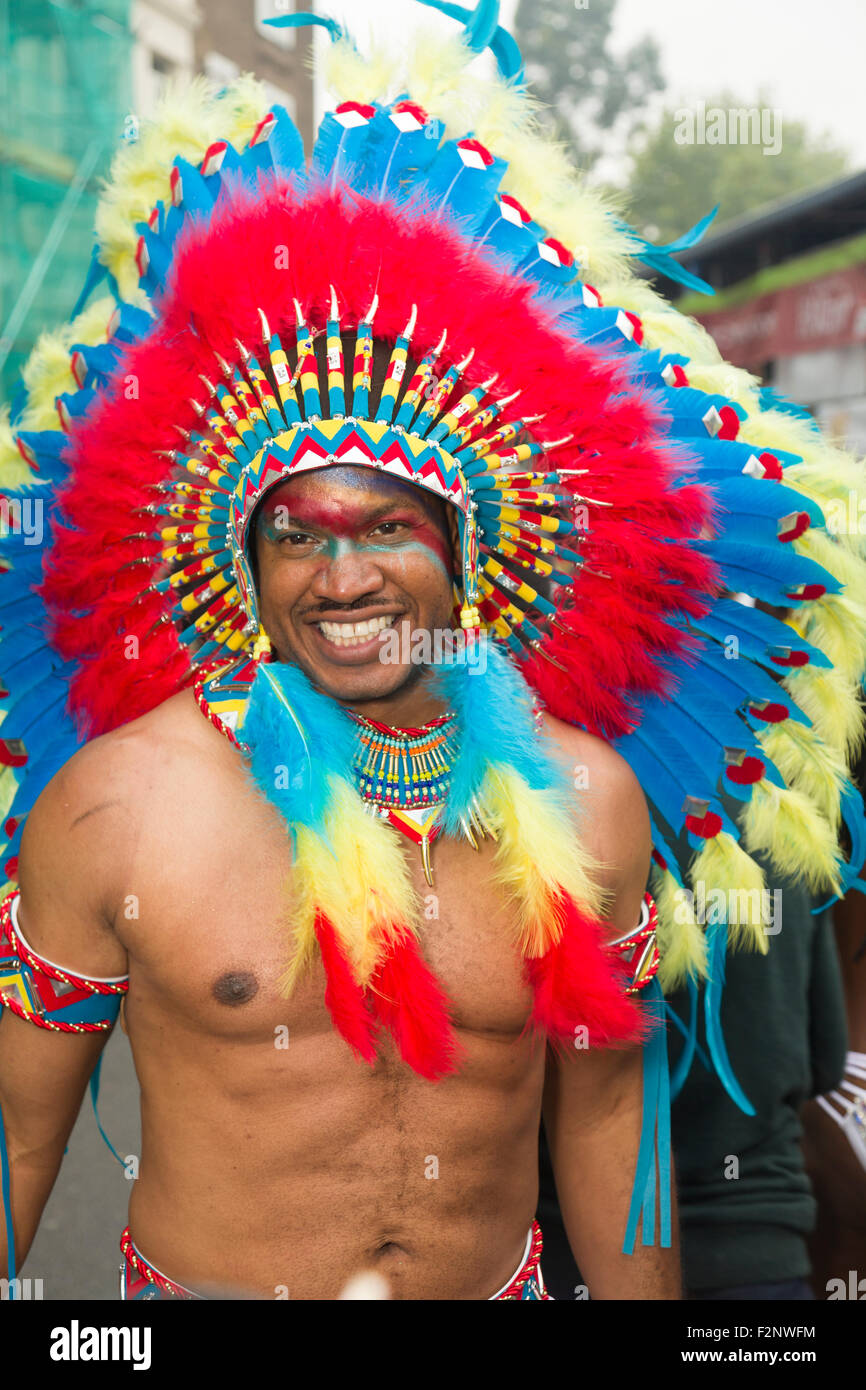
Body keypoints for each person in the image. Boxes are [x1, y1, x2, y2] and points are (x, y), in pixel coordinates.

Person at [1, 0, 863, 1301]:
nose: (340, 576)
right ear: (248, 565)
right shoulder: (117, 805)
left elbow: (604, 1123)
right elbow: (17, 1133)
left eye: (386, 526)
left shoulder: (588, 801)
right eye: (294, 536)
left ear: (464, 552)